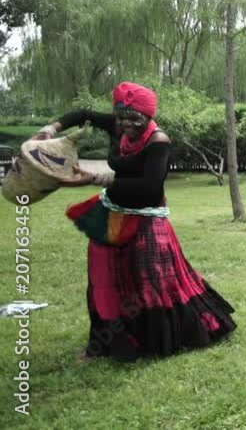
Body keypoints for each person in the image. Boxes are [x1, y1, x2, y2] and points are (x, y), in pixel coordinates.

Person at [32, 82, 235, 361]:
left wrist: (96, 178)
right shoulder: (119, 125)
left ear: (148, 117)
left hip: (147, 218)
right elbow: (81, 114)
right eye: (121, 117)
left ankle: (151, 341)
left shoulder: (157, 142)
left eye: (133, 118)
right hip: (113, 212)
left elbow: (150, 187)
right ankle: (106, 343)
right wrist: (50, 129)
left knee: (149, 282)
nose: (126, 124)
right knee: (103, 278)